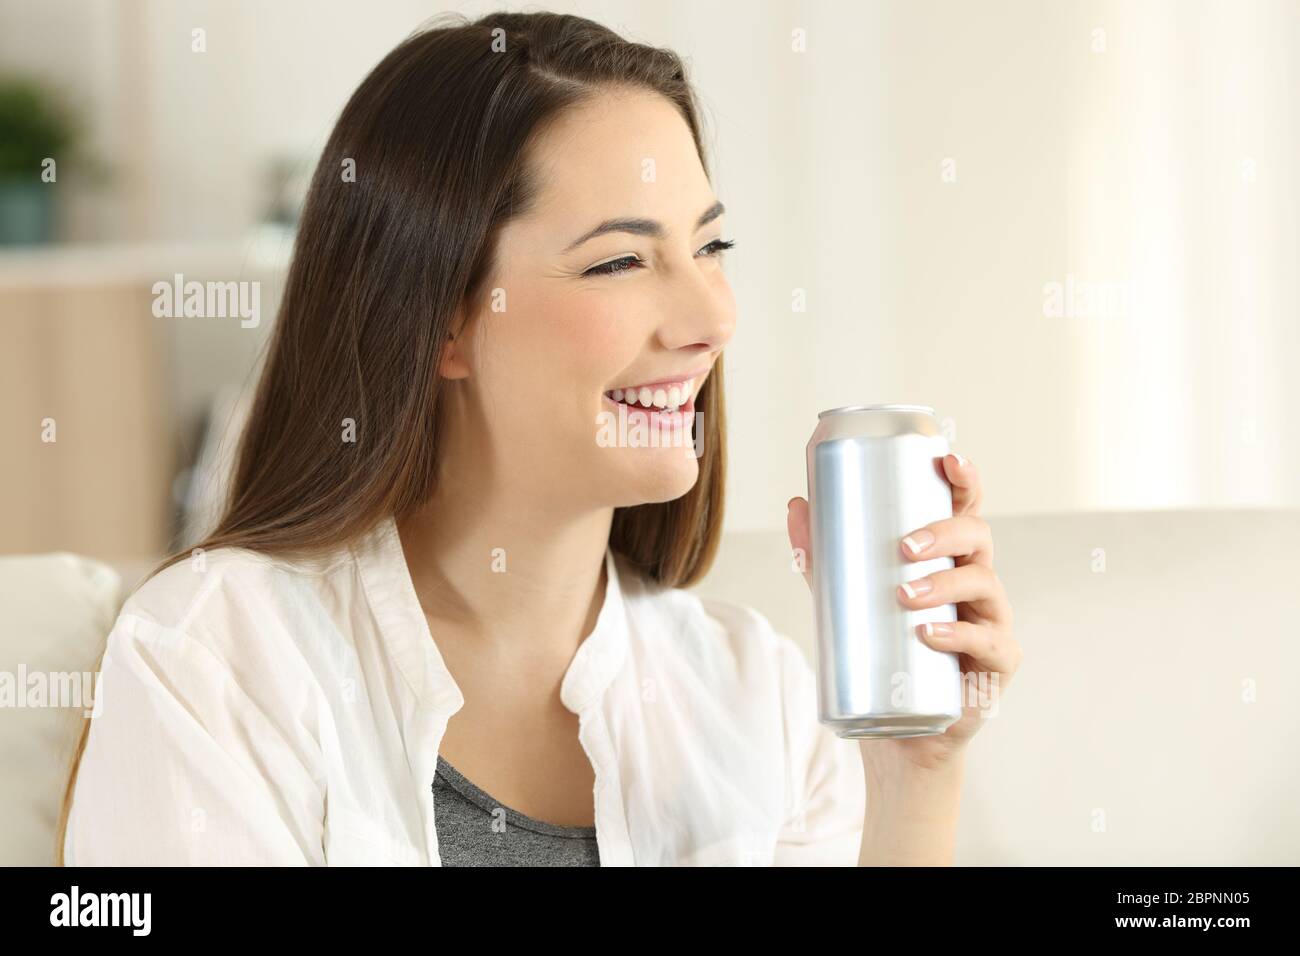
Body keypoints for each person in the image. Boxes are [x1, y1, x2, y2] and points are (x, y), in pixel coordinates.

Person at [59, 10, 1019, 866]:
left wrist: (914, 777)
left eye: (711, 247)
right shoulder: (217, 656)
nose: (710, 317)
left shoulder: (753, 691)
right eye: (619, 260)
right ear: (439, 316)